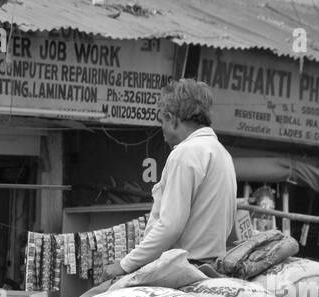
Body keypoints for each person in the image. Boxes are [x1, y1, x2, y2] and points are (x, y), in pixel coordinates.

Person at [102, 79, 238, 280]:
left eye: (162, 121)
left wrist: (124, 265)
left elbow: (169, 226)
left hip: (184, 267)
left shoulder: (185, 153)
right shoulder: (221, 153)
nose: (162, 128)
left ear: (173, 119)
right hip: (212, 265)